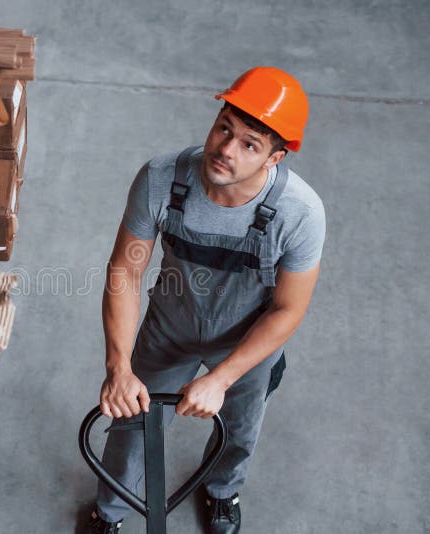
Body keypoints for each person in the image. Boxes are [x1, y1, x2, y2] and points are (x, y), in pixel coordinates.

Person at [85, 66, 326, 534]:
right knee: (132, 426)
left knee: (239, 427)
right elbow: (126, 270)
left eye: (249, 144)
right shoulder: (161, 179)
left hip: (246, 342)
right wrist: (118, 366)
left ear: (275, 157)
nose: (225, 149)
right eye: (224, 128)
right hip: (170, 327)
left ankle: (221, 492)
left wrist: (222, 377)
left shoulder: (300, 214)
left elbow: (288, 309)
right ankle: (109, 513)